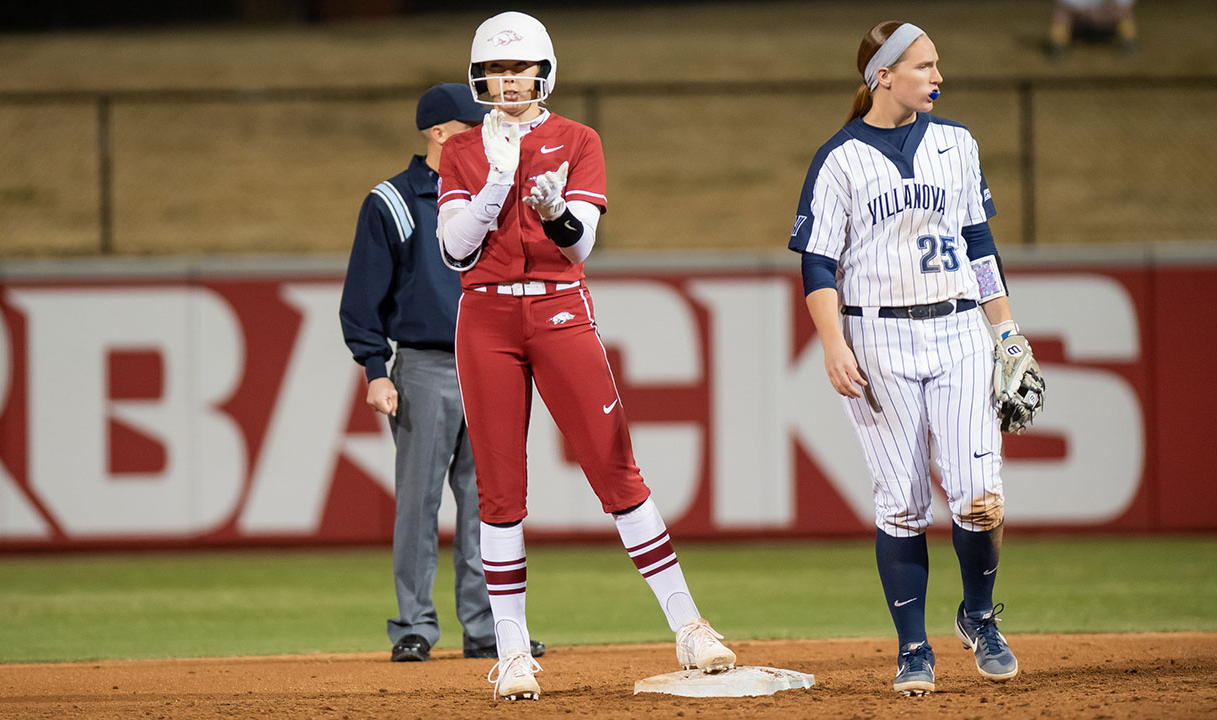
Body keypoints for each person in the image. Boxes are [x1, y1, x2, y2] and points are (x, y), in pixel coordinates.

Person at [436, 10, 736, 701]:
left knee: (614, 465)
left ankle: (688, 625)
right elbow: (454, 250)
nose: (510, 80)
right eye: (499, 69)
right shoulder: (460, 151)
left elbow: (581, 246)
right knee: (500, 489)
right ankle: (512, 649)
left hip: (557, 307)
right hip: (485, 314)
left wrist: (552, 214)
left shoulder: (577, 139)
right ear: (482, 75)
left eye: (520, 67)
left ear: (543, 70)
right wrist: (490, 194)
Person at [789, 22, 1039, 696]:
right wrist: (833, 341)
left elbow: (978, 240)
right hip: (877, 341)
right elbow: (817, 261)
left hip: (960, 332)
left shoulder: (957, 144)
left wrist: (1007, 330)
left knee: (980, 499)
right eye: (924, 65)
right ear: (883, 75)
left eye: (937, 65)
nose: (937, 77)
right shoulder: (839, 159)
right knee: (900, 503)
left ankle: (979, 615)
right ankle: (913, 650)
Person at [340, 82, 544, 664]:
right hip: (426, 364)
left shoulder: (491, 190)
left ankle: (486, 628)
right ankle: (414, 625)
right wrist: (375, 368)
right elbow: (362, 299)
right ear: (437, 132)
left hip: (493, 360)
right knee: (419, 502)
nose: (486, 133)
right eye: (470, 125)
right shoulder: (394, 201)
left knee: (491, 504)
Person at [1046, 0, 1137, 58]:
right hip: (1080, 22)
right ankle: (1058, 45)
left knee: (1125, 14)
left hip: (1108, 22)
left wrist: (1104, 11)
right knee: (1061, 13)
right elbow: (1064, 4)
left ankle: (1128, 42)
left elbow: (1124, 6)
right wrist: (1086, 11)